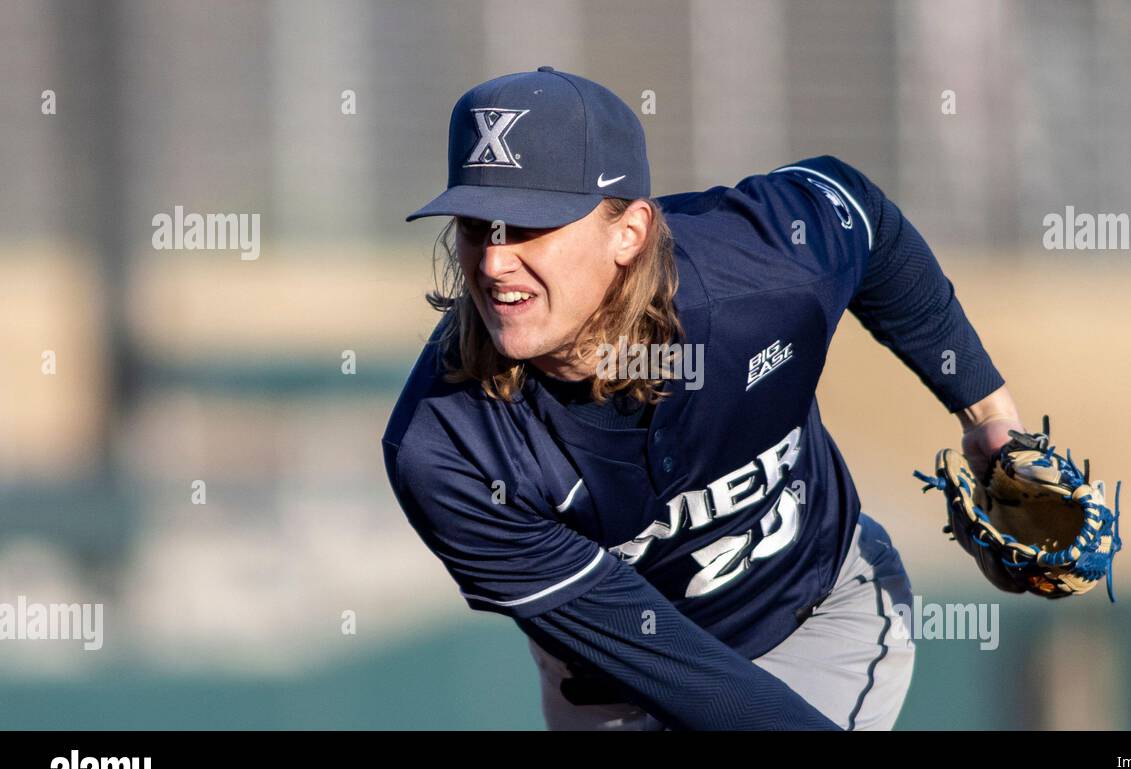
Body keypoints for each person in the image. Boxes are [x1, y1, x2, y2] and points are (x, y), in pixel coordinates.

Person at [382, 67, 1023, 730]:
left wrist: (991, 416)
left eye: (529, 226)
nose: (492, 262)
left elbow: (865, 218)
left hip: (817, 623)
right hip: (615, 680)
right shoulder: (447, 448)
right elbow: (678, 672)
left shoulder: (761, 270)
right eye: (475, 224)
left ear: (627, 232)